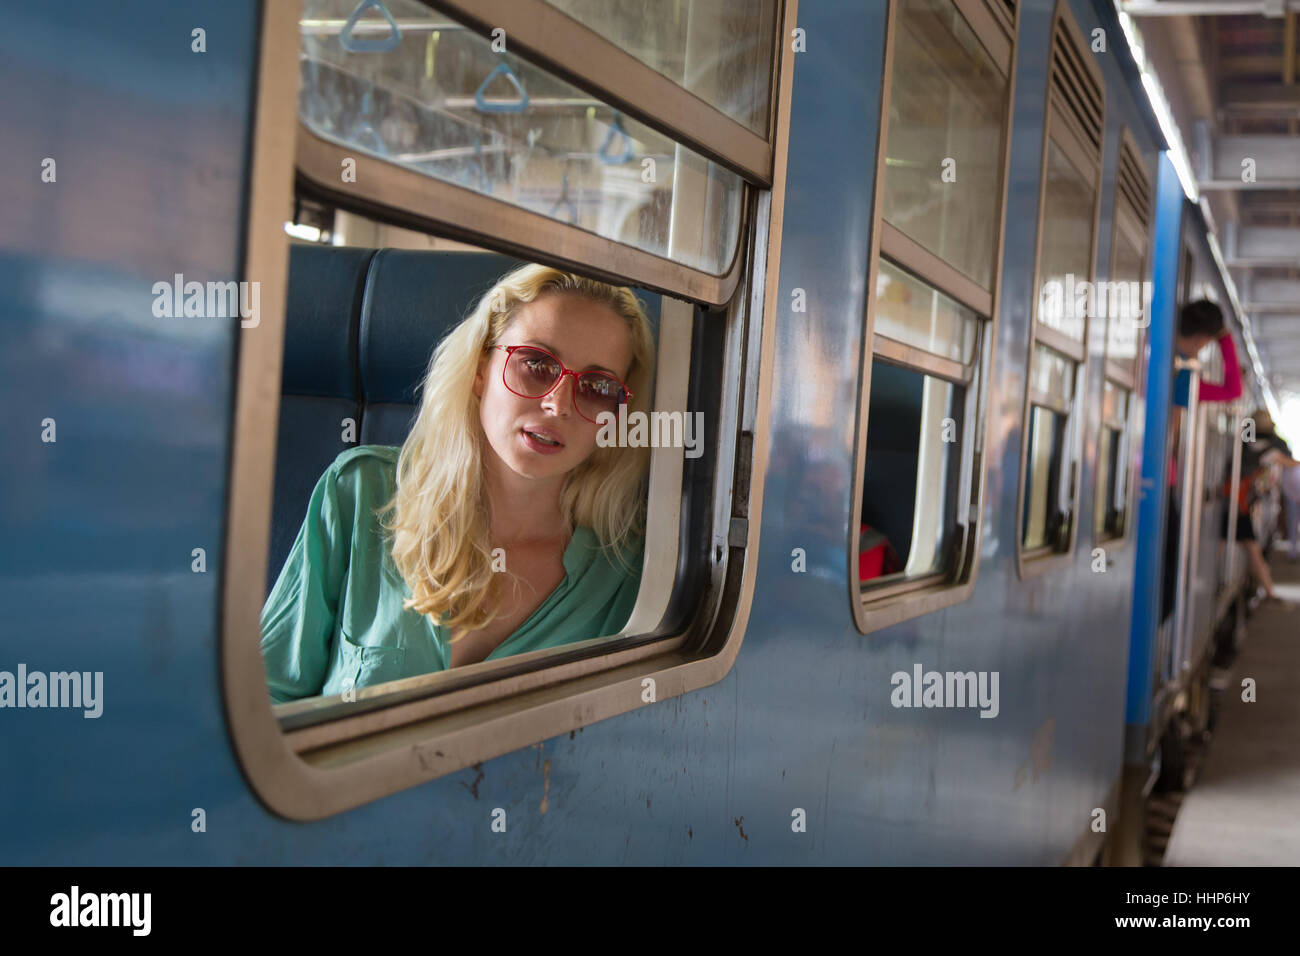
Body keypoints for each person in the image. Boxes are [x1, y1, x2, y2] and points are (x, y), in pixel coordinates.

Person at [260, 264, 657, 703]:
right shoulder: (360, 490)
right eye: (536, 364)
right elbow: (267, 698)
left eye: (597, 387)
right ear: (481, 370)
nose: (557, 404)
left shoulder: (630, 570)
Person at [1161, 300, 1243, 623]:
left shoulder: (1172, 363)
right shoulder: (1183, 372)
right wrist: (1225, 338)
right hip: (1162, 481)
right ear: (1202, 340)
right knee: (1171, 576)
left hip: (1155, 478)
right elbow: (1232, 389)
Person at [1222, 409, 1300, 604]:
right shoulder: (1275, 445)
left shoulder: (1247, 438)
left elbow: (1245, 451)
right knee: (1252, 548)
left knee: (1238, 543)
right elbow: (1290, 462)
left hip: (1234, 499)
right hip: (1242, 503)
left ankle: (1264, 588)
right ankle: (1268, 591)